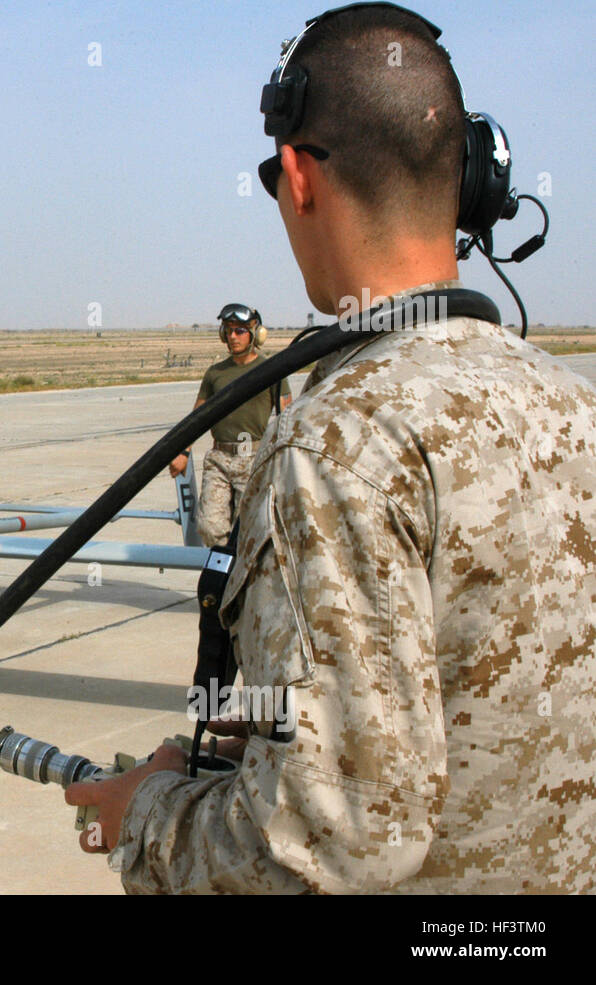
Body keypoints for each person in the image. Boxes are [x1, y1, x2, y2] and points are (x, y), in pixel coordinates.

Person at [67, 2, 596, 892]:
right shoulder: (575, 405)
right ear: (464, 184)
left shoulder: (332, 441)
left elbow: (331, 846)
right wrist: (289, 738)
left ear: (297, 177)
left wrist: (147, 812)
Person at [168, 303, 291, 547]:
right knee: (209, 527)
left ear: (255, 334)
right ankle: (224, 571)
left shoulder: (272, 370)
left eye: (240, 331)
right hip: (220, 459)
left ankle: (237, 578)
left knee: (247, 531)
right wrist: (183, 451)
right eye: (229, 331)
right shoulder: (215, 374)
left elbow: (287, 417)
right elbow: (198, 417)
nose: (233, 337)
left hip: (254, 459)